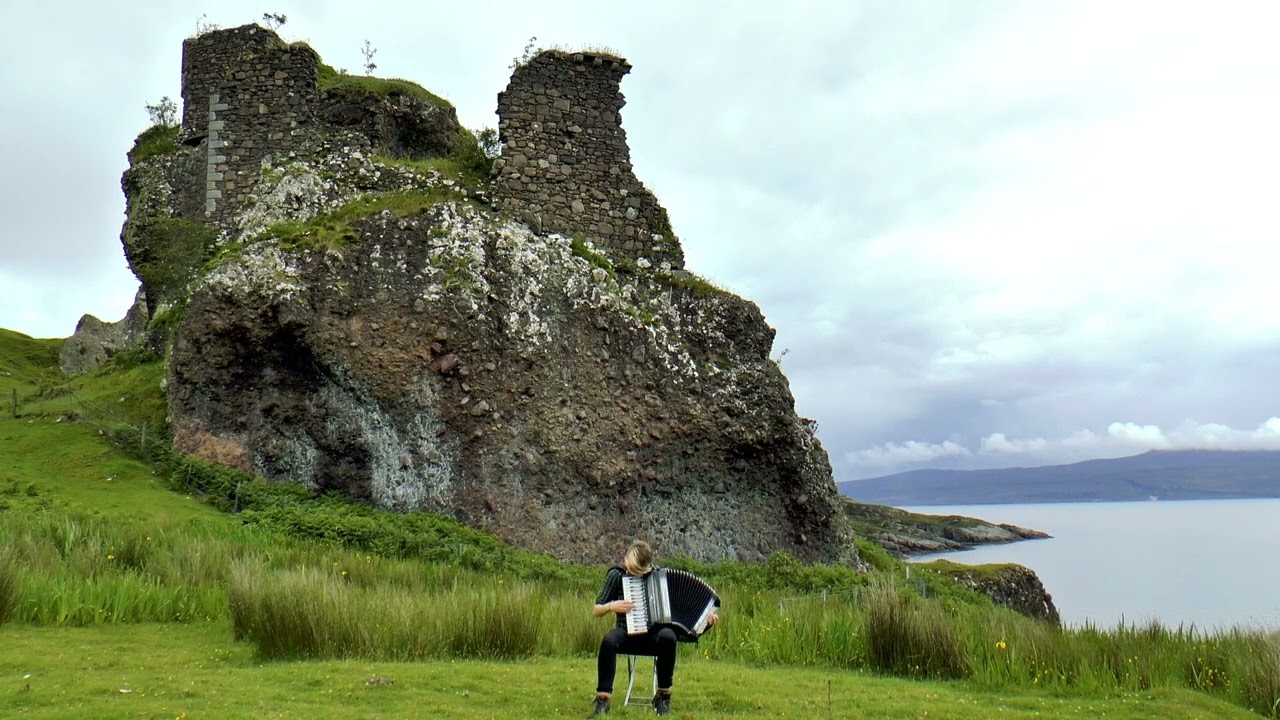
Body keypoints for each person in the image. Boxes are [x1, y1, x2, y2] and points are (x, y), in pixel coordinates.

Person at [587, 539, 719, 718]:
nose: (630, 570)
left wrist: (706, 623)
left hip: (653, 634)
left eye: (636, 570)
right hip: (626, 631)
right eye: (629, 565)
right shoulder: (617, 575)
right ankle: (603, 700)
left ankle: (663, 697)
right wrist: (612, 606)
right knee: (609, 640)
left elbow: (684, 631)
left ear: (646, 567)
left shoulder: (659, 576)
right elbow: (596, 609)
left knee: (668, 636)